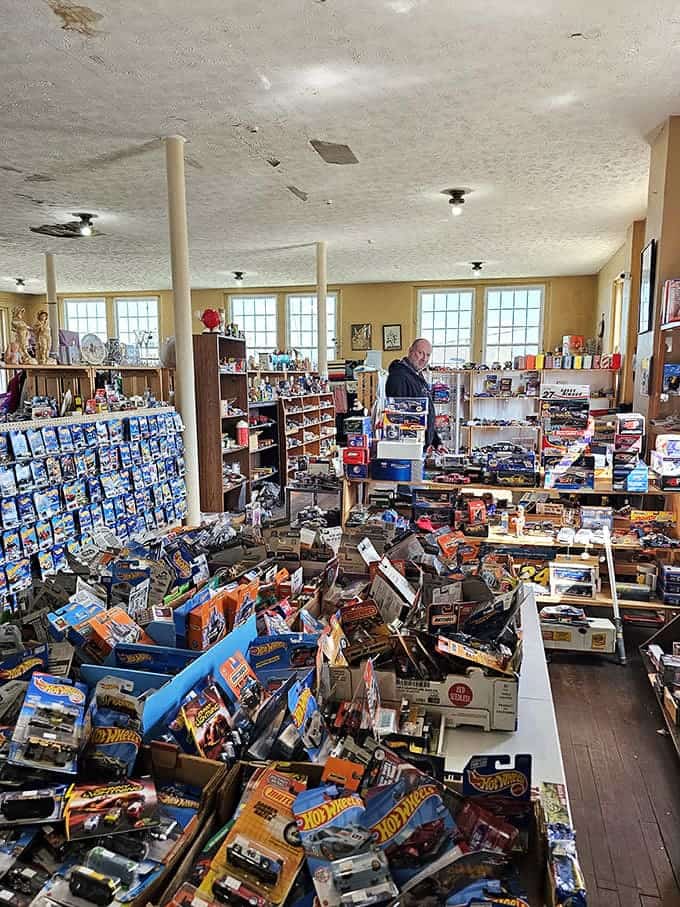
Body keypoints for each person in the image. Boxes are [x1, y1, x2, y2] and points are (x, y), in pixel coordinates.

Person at [385, 338, 445, 451]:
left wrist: (435, 441)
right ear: (410, 351)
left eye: (428, 355)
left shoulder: (417, 375)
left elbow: (425, 413)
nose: (424, 359)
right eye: (420, 353)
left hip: (420, 445)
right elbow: (397, 416)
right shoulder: (398, 376)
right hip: (408, 447)